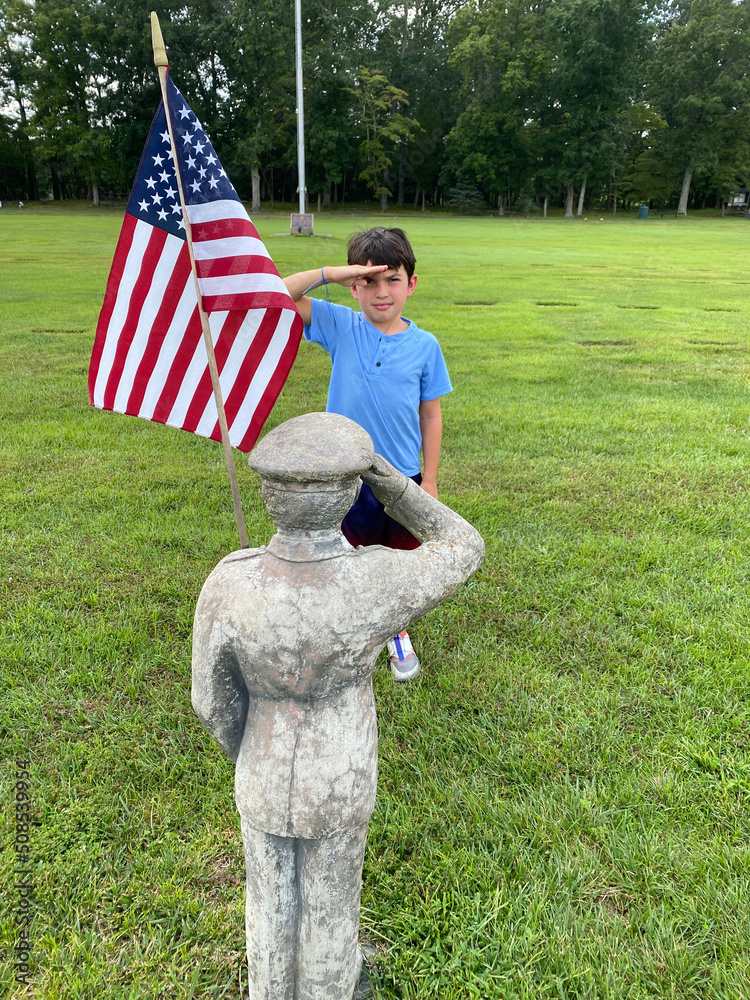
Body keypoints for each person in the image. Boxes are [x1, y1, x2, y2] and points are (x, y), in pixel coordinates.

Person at [192, 412, 484, 1000]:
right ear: (350, 492)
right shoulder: (374, 580)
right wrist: (391, 479)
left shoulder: (229, 581)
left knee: (267, 902)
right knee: (331, 900)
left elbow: (210, 702)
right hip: (341, 771)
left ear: (268, 494)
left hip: (262, 768)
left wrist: (248, 750)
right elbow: (463, 545)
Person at [283, 227, 452, 681]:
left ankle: (395, 630)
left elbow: (430, 416)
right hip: (347, 474)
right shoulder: (340, 324)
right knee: (343, 555)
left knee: (398, 562)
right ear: (354, 285)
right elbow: (278, 295)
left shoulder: (425, 346)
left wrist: (430, 479)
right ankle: (343, 632)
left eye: (393, 280)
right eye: (369, 281)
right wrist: (330, 274)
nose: (382, 293)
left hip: (403, 478)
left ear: (411, 284)